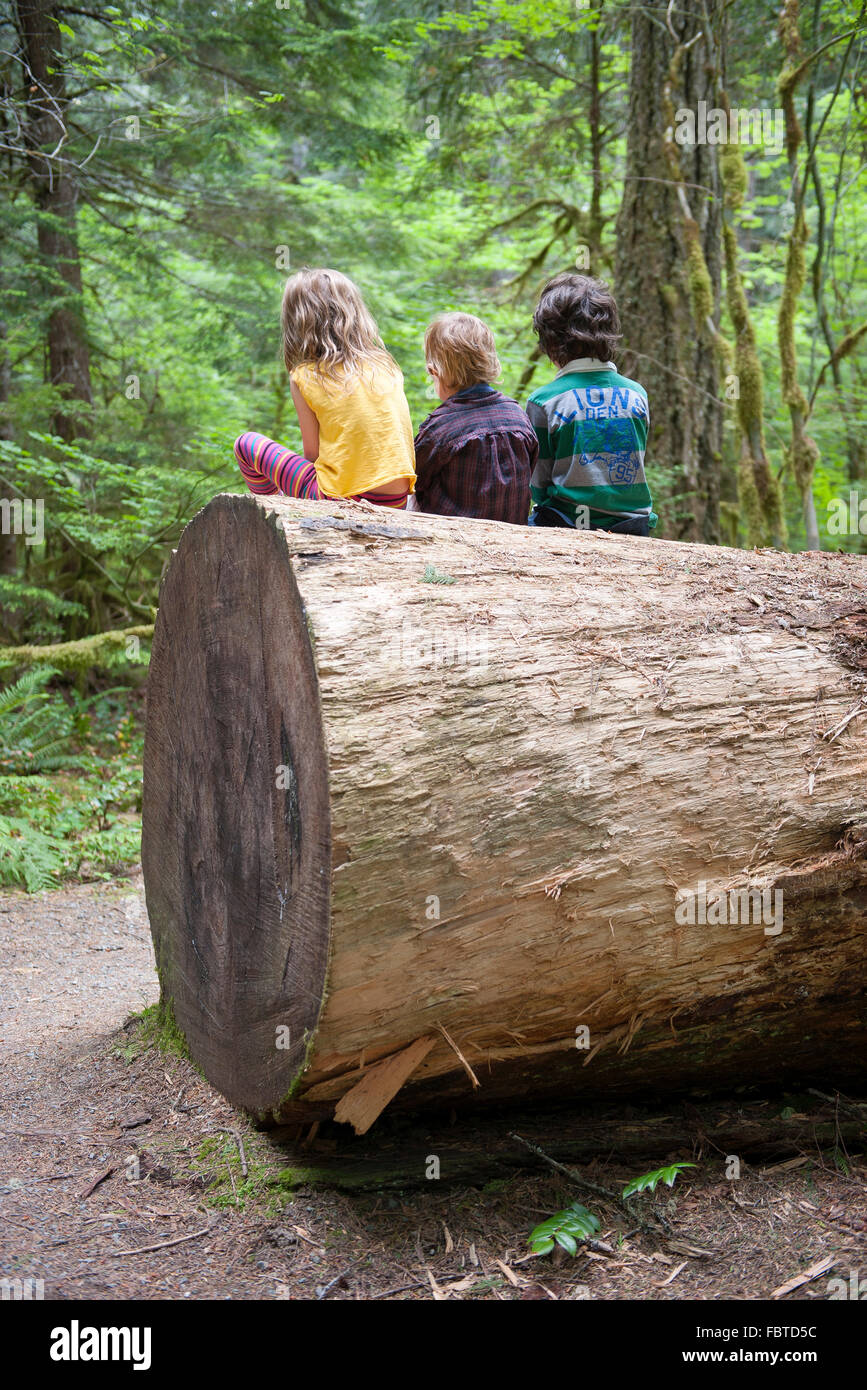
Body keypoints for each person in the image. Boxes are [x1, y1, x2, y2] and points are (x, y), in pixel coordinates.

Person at [235, 268, 415, 508]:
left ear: (299, 321)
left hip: (339, 498)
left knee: (246, 444)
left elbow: (313, 455)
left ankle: (272, 508)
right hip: (395, 500)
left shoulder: (305, 376)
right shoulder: (387, 366)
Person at [526, 273, 656, 536]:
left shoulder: (544, 401)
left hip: (566, 523)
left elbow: (538, 486)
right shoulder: (636, 394)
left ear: (549, 342)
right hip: (634, 526)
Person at [412, 312, 537, 523]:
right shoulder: (518, 418)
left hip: (452, 538)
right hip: (513, 536)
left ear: (436, 372)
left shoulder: (440, 428)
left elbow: (413, 480)